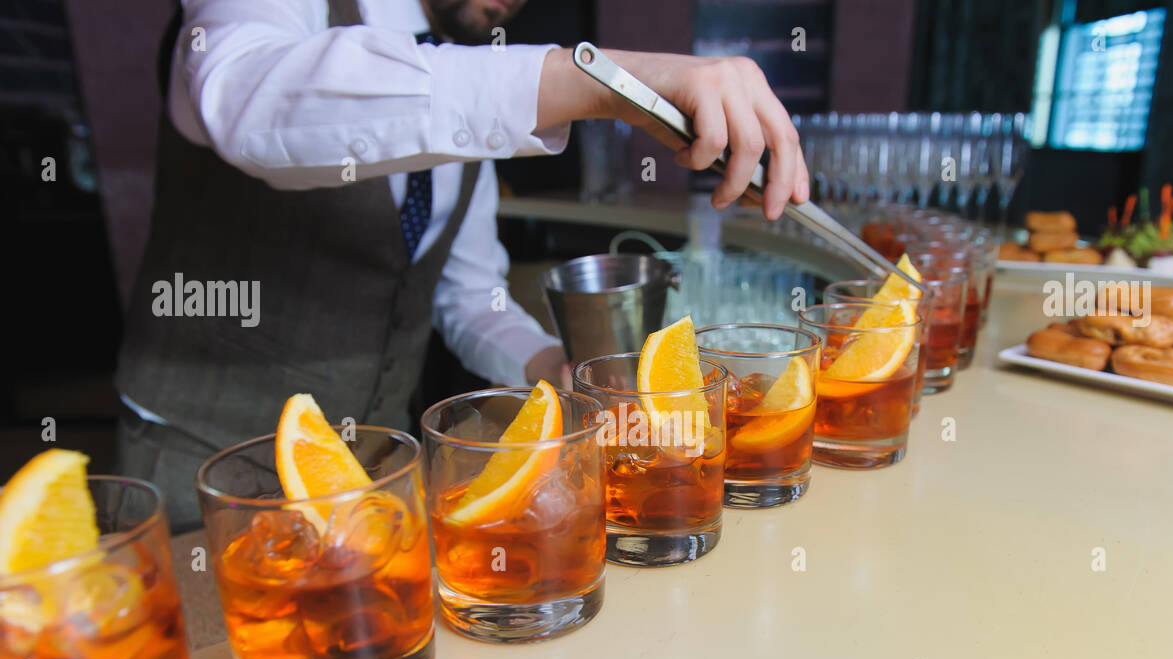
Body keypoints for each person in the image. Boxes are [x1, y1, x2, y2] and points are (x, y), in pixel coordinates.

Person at [115, 0, 809, 529]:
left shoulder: (458, 66)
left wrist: (547, 364)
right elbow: (246, 98)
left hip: (379, 470)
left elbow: (468, 295)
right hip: (206, 463)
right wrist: (599, 80)